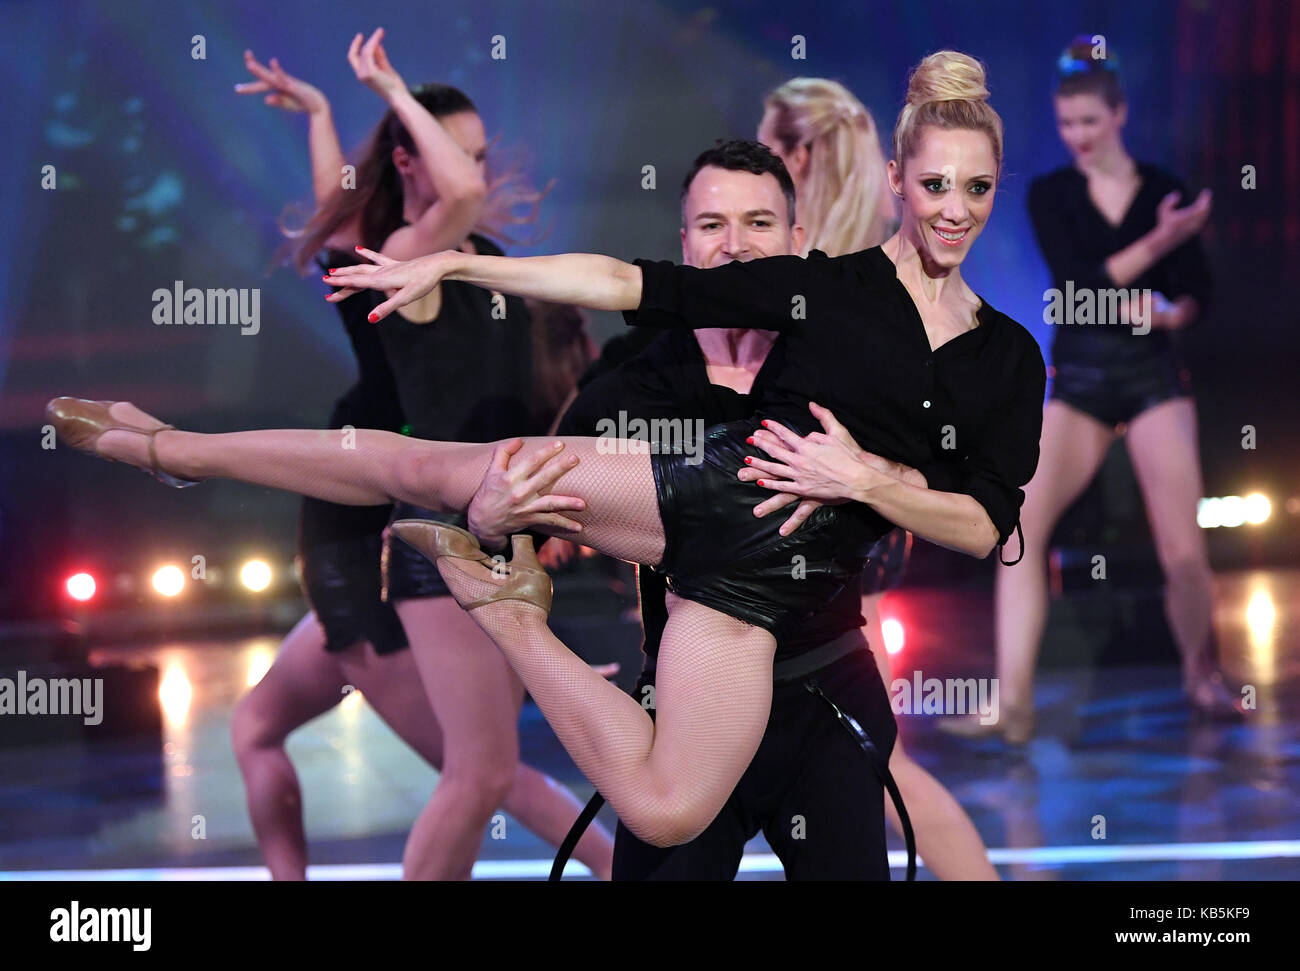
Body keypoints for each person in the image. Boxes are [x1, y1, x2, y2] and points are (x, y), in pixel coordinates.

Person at [49, 50, 1045, 856]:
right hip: (700, 497)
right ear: (898, 186)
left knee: (662, 809)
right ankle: (175, 445)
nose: (954, 207)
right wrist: (457, 258)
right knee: (429, 464)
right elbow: (620, 278)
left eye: (977, 186)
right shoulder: (820, 286)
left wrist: (869, 478)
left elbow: (985, 521)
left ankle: (516, 622)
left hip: (779, 609)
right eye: (935, 183)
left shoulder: (1006, 356)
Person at [226, 35, 614, 879]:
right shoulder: (402, 256)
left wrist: (329, 110)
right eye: (453, 151)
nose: (475, 171)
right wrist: (388, 90)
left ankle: (619, 867)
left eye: (475, 152)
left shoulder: (467, 255)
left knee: (483, 773)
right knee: (481, 773)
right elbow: (399, 199)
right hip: (403, 521)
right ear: (409, 157)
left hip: (455, 516)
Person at [940, 39, 1237, 745]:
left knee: (1182, 546)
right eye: (1067, 123)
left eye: (1090, 123)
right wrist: (1162, 241)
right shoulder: (1053, 194)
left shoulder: (1163, 186)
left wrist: (1170, 311)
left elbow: (1200, 292)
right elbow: (1081, 286)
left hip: (1151, 375)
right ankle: (1012, 705)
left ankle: (1206, 677)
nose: (1077, 136)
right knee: (1018, 529)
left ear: (1119, 115)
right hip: (1079, 378)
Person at [758, 78, 996, 878]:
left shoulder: (821, 262)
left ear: (797, 152)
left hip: (837, 516)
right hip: (864, 515)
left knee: (868, 750)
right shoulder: (864, 251)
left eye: (768, 146)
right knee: (858, 744)